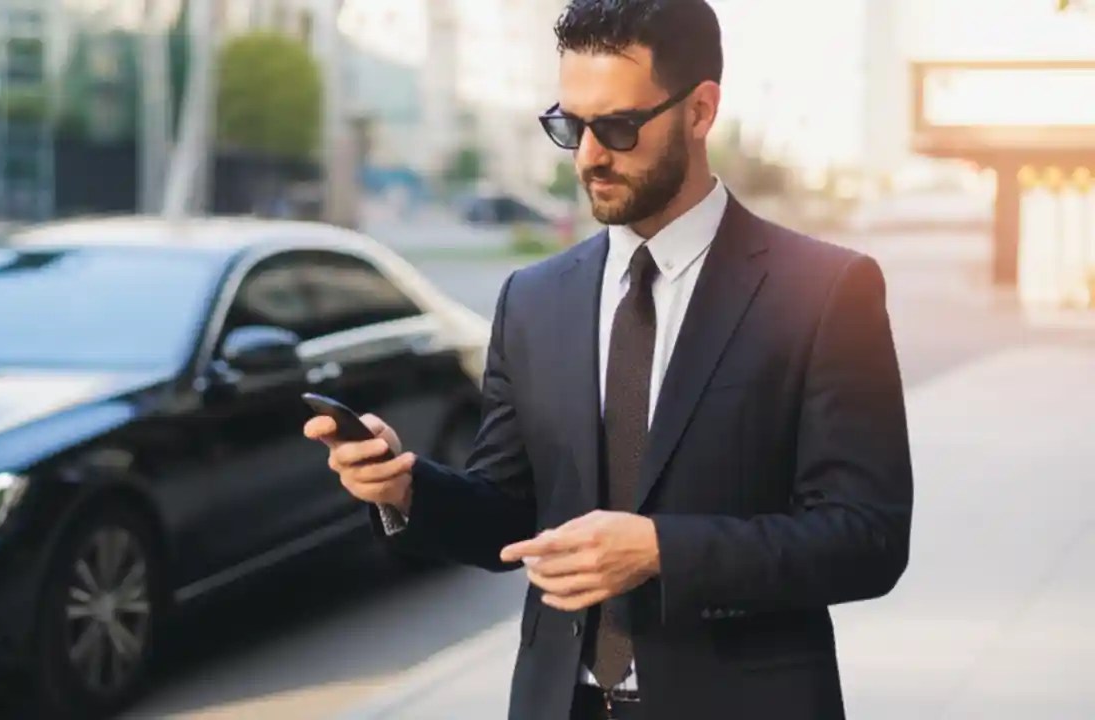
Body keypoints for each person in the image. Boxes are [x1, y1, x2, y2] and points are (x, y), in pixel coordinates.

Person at [305, 0, 913, 717]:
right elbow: (509, 514)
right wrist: (405, 489)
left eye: (619, 126)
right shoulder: (533, 298)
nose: (591, 155)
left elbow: (866, 538)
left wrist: (662, 550)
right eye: (570, 126)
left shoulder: (824, 290)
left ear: (700, 110)